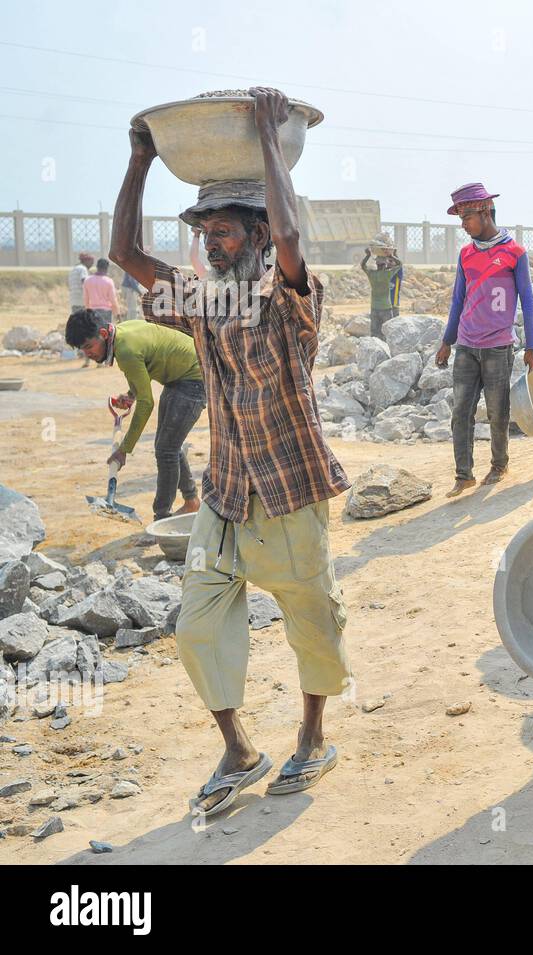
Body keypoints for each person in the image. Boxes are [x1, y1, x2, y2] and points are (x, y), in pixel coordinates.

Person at [110, 87, 352, 818]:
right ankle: (240, 746)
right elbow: (124, 253)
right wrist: (140, 157)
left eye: (222, 230)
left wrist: (269, 141)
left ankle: (312, 735)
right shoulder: (204, 302)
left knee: (313, 620)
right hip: (226, 493)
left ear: (253, 233)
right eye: (204, 230)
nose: (210, 241)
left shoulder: (292, 298)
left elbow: (290, 241)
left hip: (289, 489)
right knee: (197, 625)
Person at [434, 182, 533, 497]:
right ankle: (463, 474)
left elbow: (528, 301)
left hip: (497, 347)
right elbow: (457, 301)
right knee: (460, 411)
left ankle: (499, 464)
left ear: (484, 211)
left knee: (498, 410)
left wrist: (532, 346)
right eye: (461, 219)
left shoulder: (514, 253)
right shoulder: (466, 255)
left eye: (466, 218)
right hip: (466, 346)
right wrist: (447, 341)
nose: (464, 226)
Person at [64, 310, 206, 521]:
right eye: (82, 350)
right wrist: (132, 394)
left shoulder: (126, 349)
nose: (88, 354)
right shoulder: (122, 334)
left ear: (103, 333)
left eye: (88, 347)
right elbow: (144, 366)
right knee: (167, 446)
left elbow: (146, 403)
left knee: (166, 450)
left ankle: (162, 518)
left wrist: (124, 449)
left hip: (194, 380)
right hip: (180, 378)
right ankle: (192, 502)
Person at [361, 233, 403, 338]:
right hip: (387, 307)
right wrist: (391, 255)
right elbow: (399, 264)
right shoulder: (388, 274)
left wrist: (367, 255)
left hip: (375, 307)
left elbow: (363, 265)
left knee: (375, 332)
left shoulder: (372, 274)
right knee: (389, 330)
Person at [83, 258, 120, 325]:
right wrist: (117, 313)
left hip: (93, 312)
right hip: (106, 312)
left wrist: (88, 312)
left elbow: (86, 299)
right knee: (106, 333)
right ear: (106, 268)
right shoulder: (108, 281)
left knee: (95, 333)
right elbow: (113, 300)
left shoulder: (87, 280)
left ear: (97, 267)